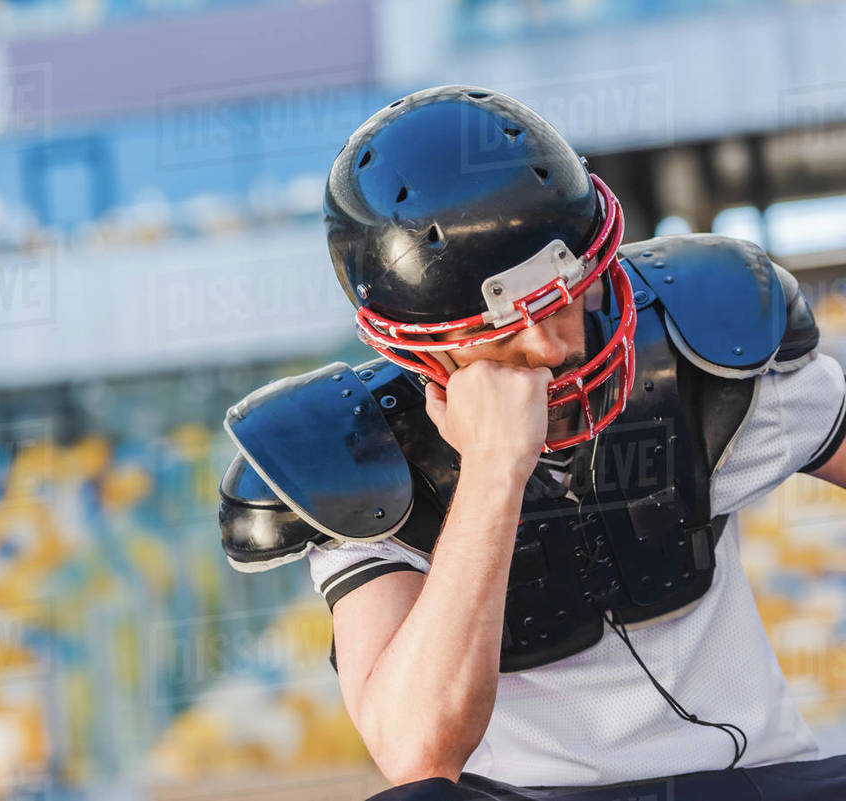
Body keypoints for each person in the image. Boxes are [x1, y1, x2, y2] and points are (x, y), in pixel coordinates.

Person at [217, 86, 846, 800]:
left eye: (564, 292)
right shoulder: (363, 457)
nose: (552, 345)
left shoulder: (698, 355)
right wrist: (492, 472)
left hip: (754, 783)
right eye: (502, 327)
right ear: (422, 342)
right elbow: (419, 750)